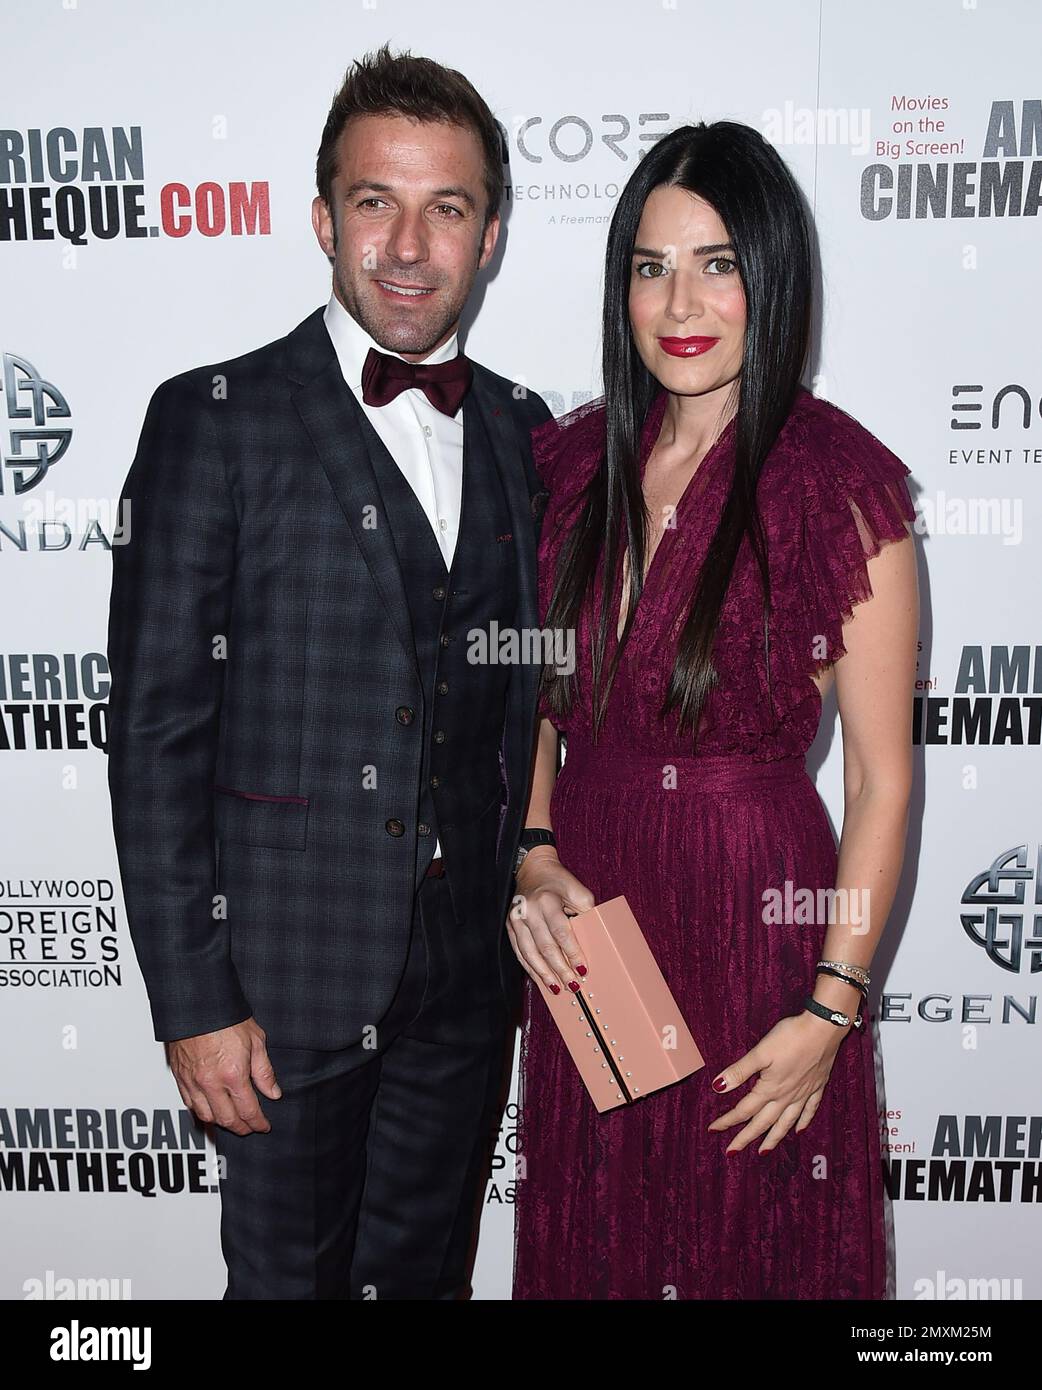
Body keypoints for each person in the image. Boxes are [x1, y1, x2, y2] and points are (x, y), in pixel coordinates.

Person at [106, 44, 552, 1300]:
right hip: (278, 988)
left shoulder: (526, 432)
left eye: (445, 208)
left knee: (422, 1282)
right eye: (375, 202)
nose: (408, 246)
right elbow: (152, 733)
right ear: (322, 218)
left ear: (491, 234)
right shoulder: (213, 418)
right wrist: (192, 1002)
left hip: (466, 982)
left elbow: (532, 688)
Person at [508, 120, 919, 1300]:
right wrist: (532, 851)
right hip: (593, 930)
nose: (680, 299)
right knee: (604, 1241)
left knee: (753, 1244)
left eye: (719, 261)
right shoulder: (565, 468)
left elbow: (883, 784)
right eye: (651, 265)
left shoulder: (838, 485)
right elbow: (533, 699)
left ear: (772, 276)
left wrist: (829, 1010)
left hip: (761, 928)